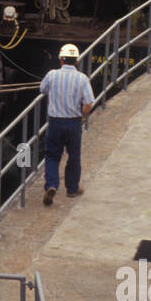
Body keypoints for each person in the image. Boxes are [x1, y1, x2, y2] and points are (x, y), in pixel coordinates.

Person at [39, 44, 96, 205]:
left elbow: (42, 90)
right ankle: (72, 189)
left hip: (55, 122)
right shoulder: (82, 78)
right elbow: (89, 103)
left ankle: (51, 185)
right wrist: (83, 117)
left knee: (52, 155)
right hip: (73, 123)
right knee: (74, 156)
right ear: (77, 61)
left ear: (61, 60)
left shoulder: (52, 75)